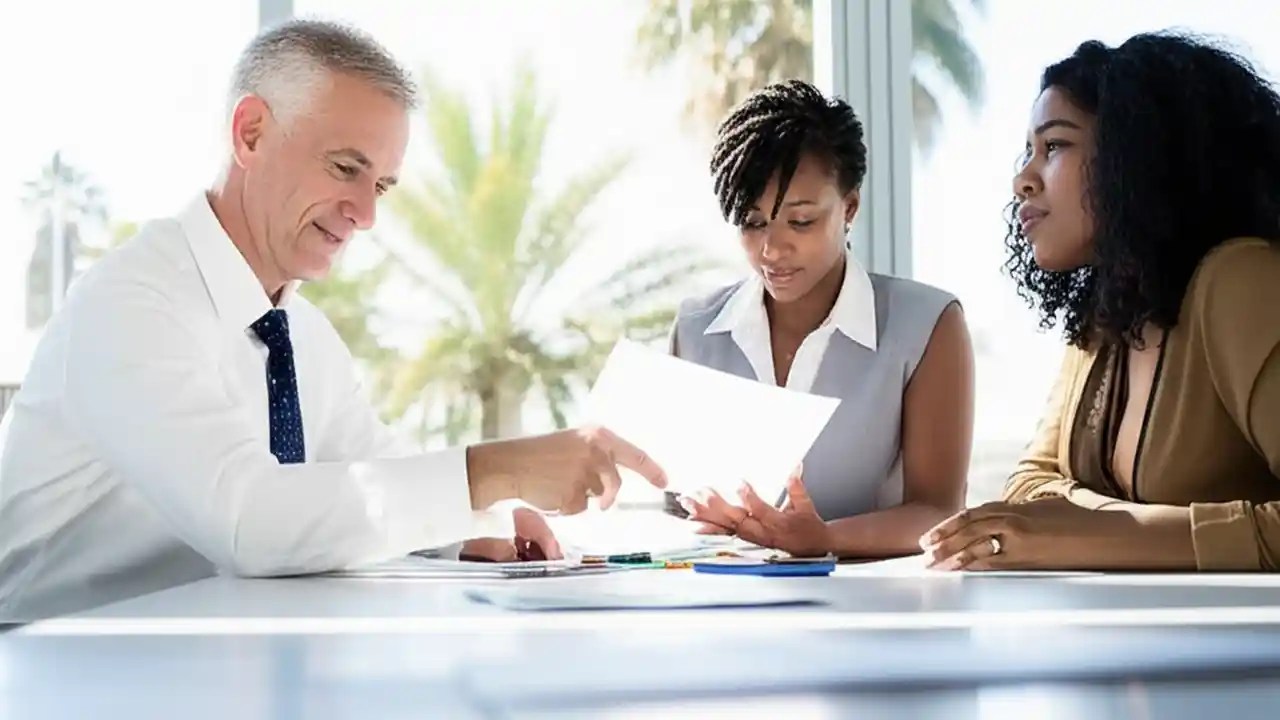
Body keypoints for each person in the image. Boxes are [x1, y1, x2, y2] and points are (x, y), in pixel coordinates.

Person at [0, 19, 666, 621]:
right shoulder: (131, 303)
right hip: (48, 664)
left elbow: (365, 473)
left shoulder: (301, 335)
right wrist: (492, 471)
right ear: (250, 133)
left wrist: (481, 522)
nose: (366, 215)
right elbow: (248, 520)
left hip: (199, 654)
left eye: (380, 187)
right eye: (346, 168)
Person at [922, 32, 1280, 572]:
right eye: (1029, 152)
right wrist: (1095, 527)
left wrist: (1099, 533)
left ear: (1137, 155)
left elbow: (1062, 520)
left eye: (1054, 146)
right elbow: (1030, 483)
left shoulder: (1240, 281)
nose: (1022, 180)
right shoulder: (1108, 313)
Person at [670, 80, 974, 558]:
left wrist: (827, 540)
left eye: (801, 221)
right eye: (752, 223)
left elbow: (939, 511)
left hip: (868, 601)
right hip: (722, 594)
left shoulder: (927, 326)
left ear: (849, 207)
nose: (772, 249)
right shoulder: (695, 331)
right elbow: (674, 510)